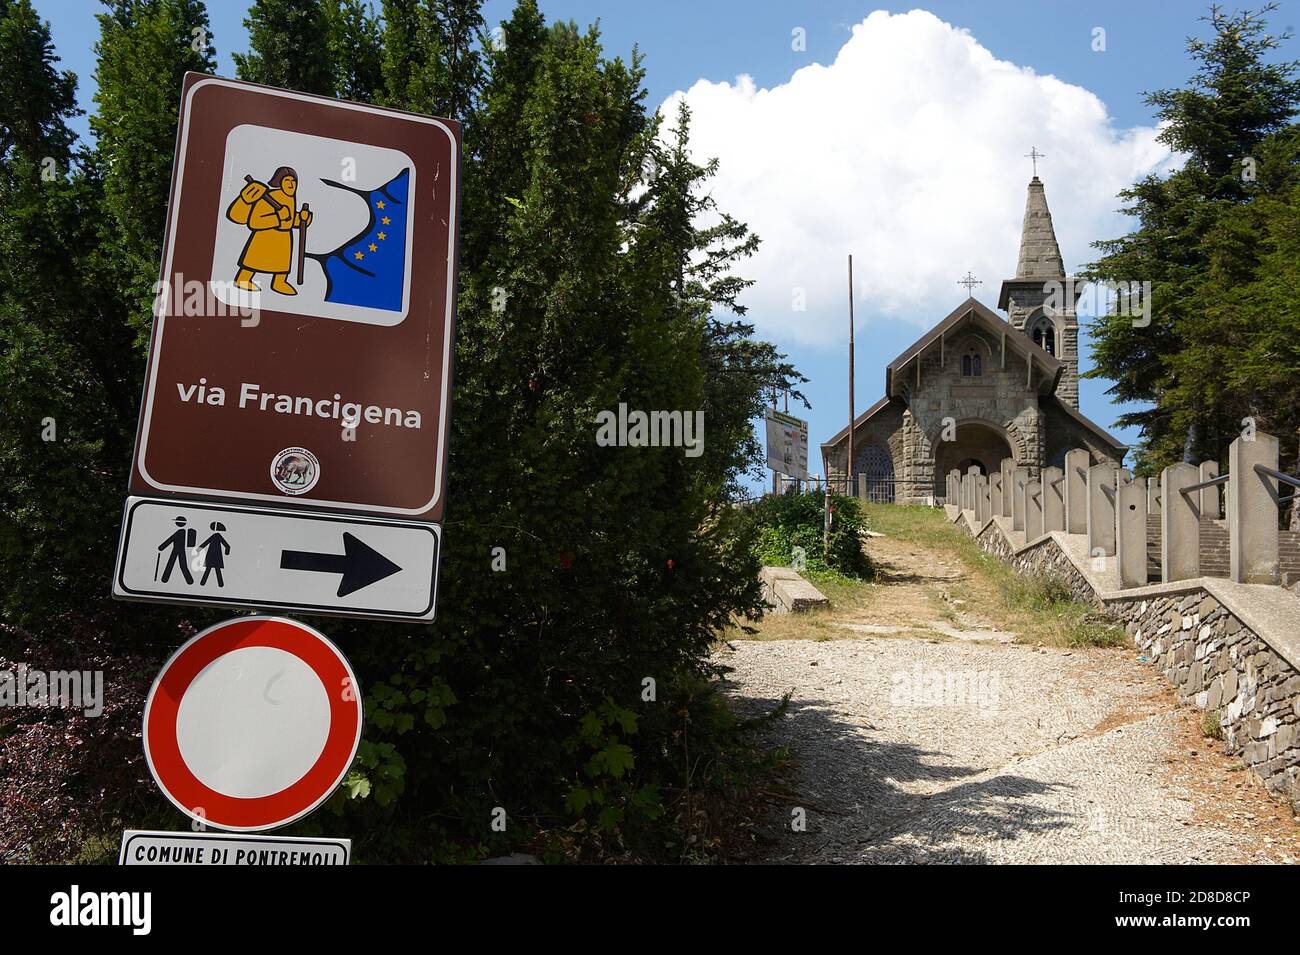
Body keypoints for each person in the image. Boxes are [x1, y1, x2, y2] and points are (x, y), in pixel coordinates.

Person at [226, 166, 314, 296]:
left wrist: (302, 218)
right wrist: (278, 217)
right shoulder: (268, 197)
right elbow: (255, 221)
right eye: (287, 181)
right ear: (279, 182)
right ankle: (242, 279)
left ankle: (279, 282)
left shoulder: (291, 198)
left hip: (283, 240)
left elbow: (289, 219)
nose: (291, 184)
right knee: (254, 260)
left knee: (282, 265)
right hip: (265, 238)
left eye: (293, 181)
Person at [157, 517, 194, 585]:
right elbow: (171, 539)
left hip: (178, 550)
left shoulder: (180, 532)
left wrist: (161, 547)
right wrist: (161, 547)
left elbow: (170, 539)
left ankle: (189, 580)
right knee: (179, 565)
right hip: (179, 550)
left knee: (173, 564)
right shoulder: (183, 532)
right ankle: (189, 580)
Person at [198, 521, 231, 588]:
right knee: (211, 570)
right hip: (213, 556)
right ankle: (203, 583)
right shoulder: (215, 536)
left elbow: (227, 545)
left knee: (214, 570)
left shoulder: (217, 536)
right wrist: (199, 549)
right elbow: (206, 542)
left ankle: (219, 584)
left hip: (215, 556)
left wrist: (227, 552)